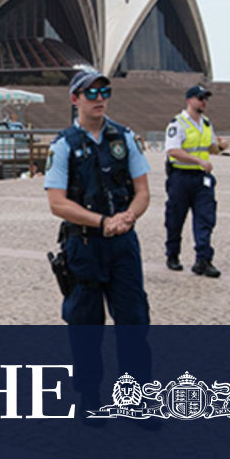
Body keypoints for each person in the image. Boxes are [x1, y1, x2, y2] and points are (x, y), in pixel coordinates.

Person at [45, 70, 151, 325]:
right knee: (85, 327)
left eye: (105, 92)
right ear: (75, 99)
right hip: (84, 245)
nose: (99, 98)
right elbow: (57, 203)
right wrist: (102, 222)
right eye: (91, 93)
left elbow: (143, 191)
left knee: (134, 321)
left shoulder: (125, 138)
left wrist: (130, 215)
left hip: (122, 243)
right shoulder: (63, 145)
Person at [163, 84, 228, 278]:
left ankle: (203, 260)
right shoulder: (178, 124)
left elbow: (209, 147)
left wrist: (220, 147)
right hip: (180, 178)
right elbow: (173, 150)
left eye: (206, 98)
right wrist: (198, 161)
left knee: (205, 218)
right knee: (175, 218)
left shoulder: (206, 123)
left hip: (201, 179)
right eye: (200, 98)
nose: (204, 102)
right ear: (189, 100)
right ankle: (172, 255)